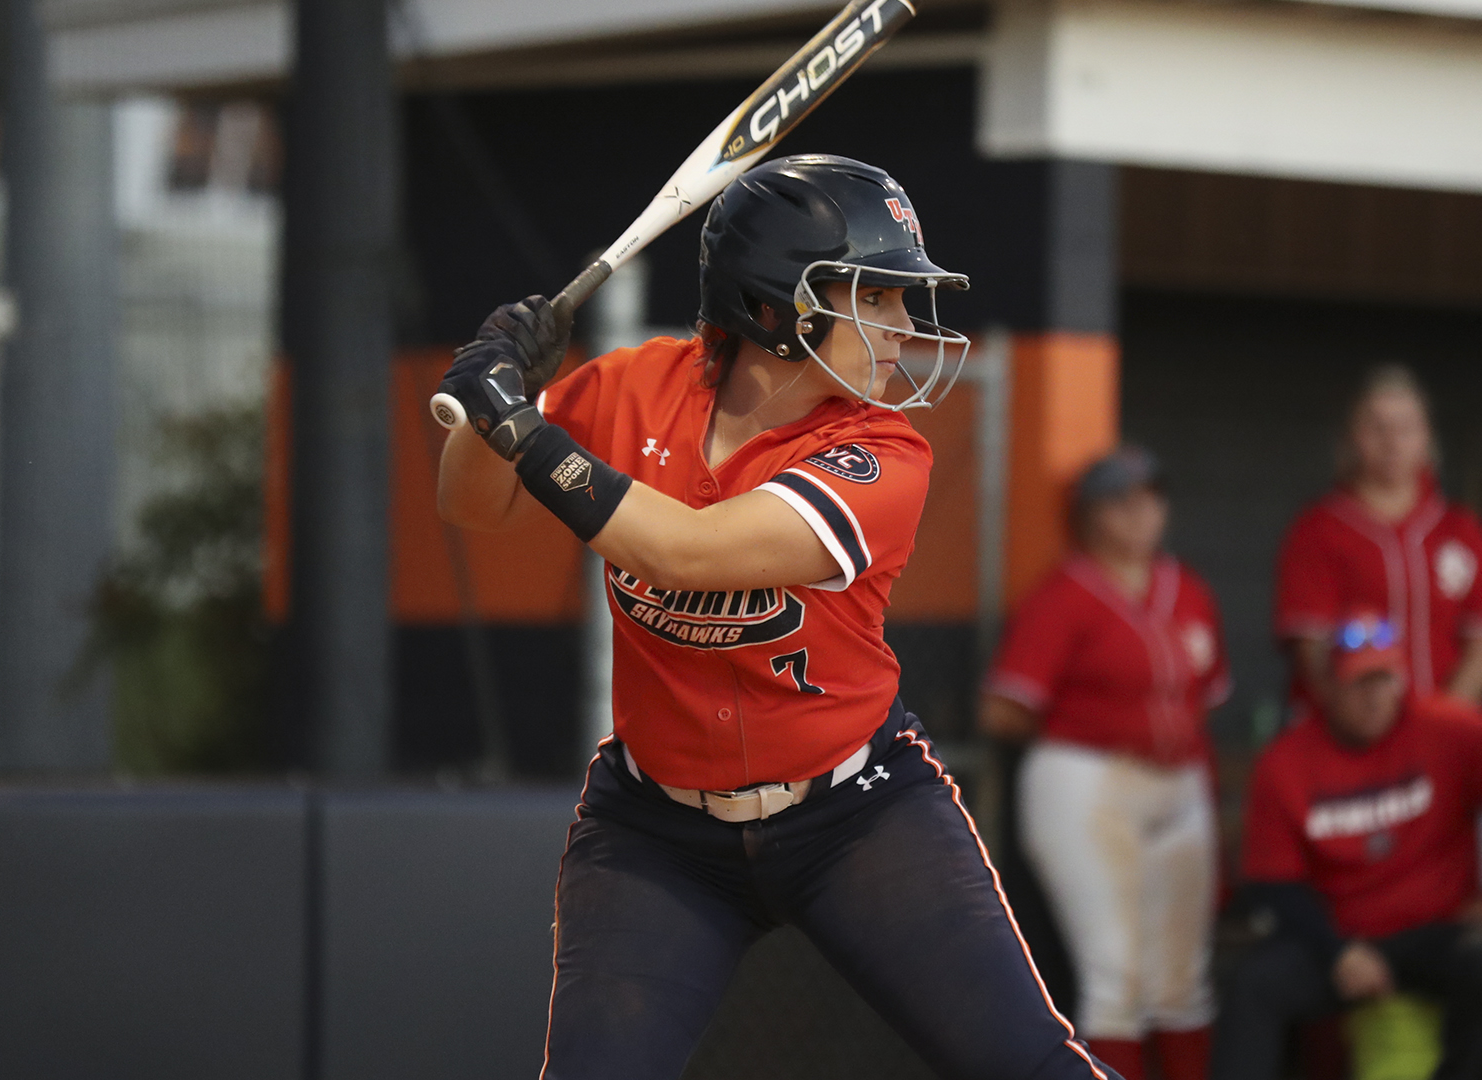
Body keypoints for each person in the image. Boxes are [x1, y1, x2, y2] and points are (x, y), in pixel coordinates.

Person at [434, 155, 1123, 1080]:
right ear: (773, 308)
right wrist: (493, 404)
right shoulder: (639, 386)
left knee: (1030, 1068)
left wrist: (522, 430)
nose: (901, 324)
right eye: (871, 295)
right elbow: (472, 505)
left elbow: (685, 552)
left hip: (856, 812)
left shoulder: (882, 453)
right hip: (656, 830)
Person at [981, 448, 1231, 1080]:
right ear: (1090, 514)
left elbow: (1208, 701)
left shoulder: (1188, 589)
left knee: (1182, 981)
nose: (1143, 511)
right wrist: (1093, 730)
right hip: (1088, 783)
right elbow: (1002, 712)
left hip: (1179, 783)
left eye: (1151, 496)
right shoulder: (1065, 593)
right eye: (1123, 500)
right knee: (1115, 977)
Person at [1211, 615, 1482, 1080]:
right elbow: (1273, 881)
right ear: (1328, 688)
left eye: (1384, 680)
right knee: (1253, 985)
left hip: (1438, 929)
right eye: (1359, 683)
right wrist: (1338, 951)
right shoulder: (1286, 761)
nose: (1374, 697)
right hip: (1342, 937)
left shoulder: (1446, 727)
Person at [1275, 366, 1482, 719]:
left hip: (1440, 727)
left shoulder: (1461, 528)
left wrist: (1436, 725)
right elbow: (1313, 652)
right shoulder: (1317, 528)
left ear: (1426, 437)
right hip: (1343, 731)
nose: (1392, 441)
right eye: (1376, 427)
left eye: (1405, 428)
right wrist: (1366, 729)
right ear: (1351, 436)